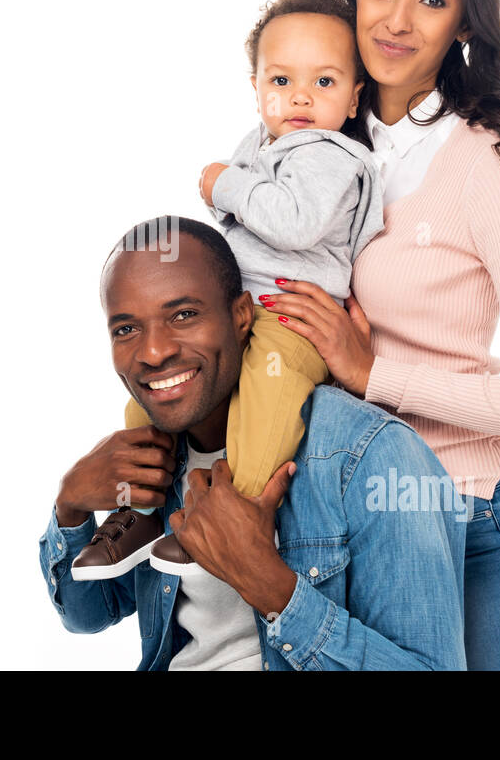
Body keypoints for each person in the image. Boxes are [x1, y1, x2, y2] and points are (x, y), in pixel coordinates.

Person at [267, 0, 500, 670]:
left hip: (471, 513)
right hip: (341, 524)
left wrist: (375, 374)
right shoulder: (313, 134)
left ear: (464, 27)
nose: (398, 20)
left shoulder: (488, 163)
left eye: (434, 0)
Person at [39, 216, 467, 670]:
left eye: (183, 315)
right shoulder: (154, 460)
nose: (153, 352)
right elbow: (89, 613)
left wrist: (269, 585)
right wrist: (70, 508)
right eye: (126, 329)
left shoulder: (371, 456)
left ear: (242, 316)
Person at [69, 0, 383, 580]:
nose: (299, 98)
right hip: (241, 309)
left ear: (352, 97)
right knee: (156, 398)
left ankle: (233, 510)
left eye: (324, 82)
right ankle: (139, 508)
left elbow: (295, 222)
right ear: (257, 88)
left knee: (267, 398)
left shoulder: (329, 152)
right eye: (281, 81)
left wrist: (222, 186)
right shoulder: (263, 144)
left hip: (290, 320)